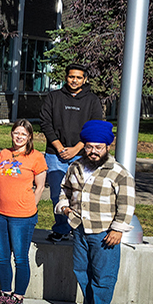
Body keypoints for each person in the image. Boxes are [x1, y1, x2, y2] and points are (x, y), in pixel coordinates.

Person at [56, 120, 135, 304]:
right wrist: (63, 206)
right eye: (89, 146)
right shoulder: (76, 166)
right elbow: (64, 189)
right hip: (79, 228)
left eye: (98, 147)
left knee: (103, 276)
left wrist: (117, 229)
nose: (93, 151)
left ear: (108, 146)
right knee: (82, 271)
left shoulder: (118, 172)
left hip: (104, 232)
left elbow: (126, 203)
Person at [39, 64, 105, 243]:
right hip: (55, 154)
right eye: (71, 77)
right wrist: (59, 147)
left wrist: (77, 148)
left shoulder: (92, 100)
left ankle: (78, 230)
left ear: (84, 79)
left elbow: (95, 127)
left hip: (82, 154)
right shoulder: (54, 97)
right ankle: (61, 229)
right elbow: (45, 123)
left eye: (78, 77)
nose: (74, 80)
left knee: (81, 194)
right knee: (56, 194)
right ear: (66, 77)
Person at [0, 120, 47, 304]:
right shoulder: (4, 154)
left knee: (20, 258)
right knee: (2, 256)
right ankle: (5, 294)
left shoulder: (36, 157)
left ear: (30, 136)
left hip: (22, 216)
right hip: (0, 213)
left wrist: (31, 206)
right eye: (16, 133)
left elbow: (39, 187)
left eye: (23, 134)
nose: (19, 137)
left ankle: (18, 299)